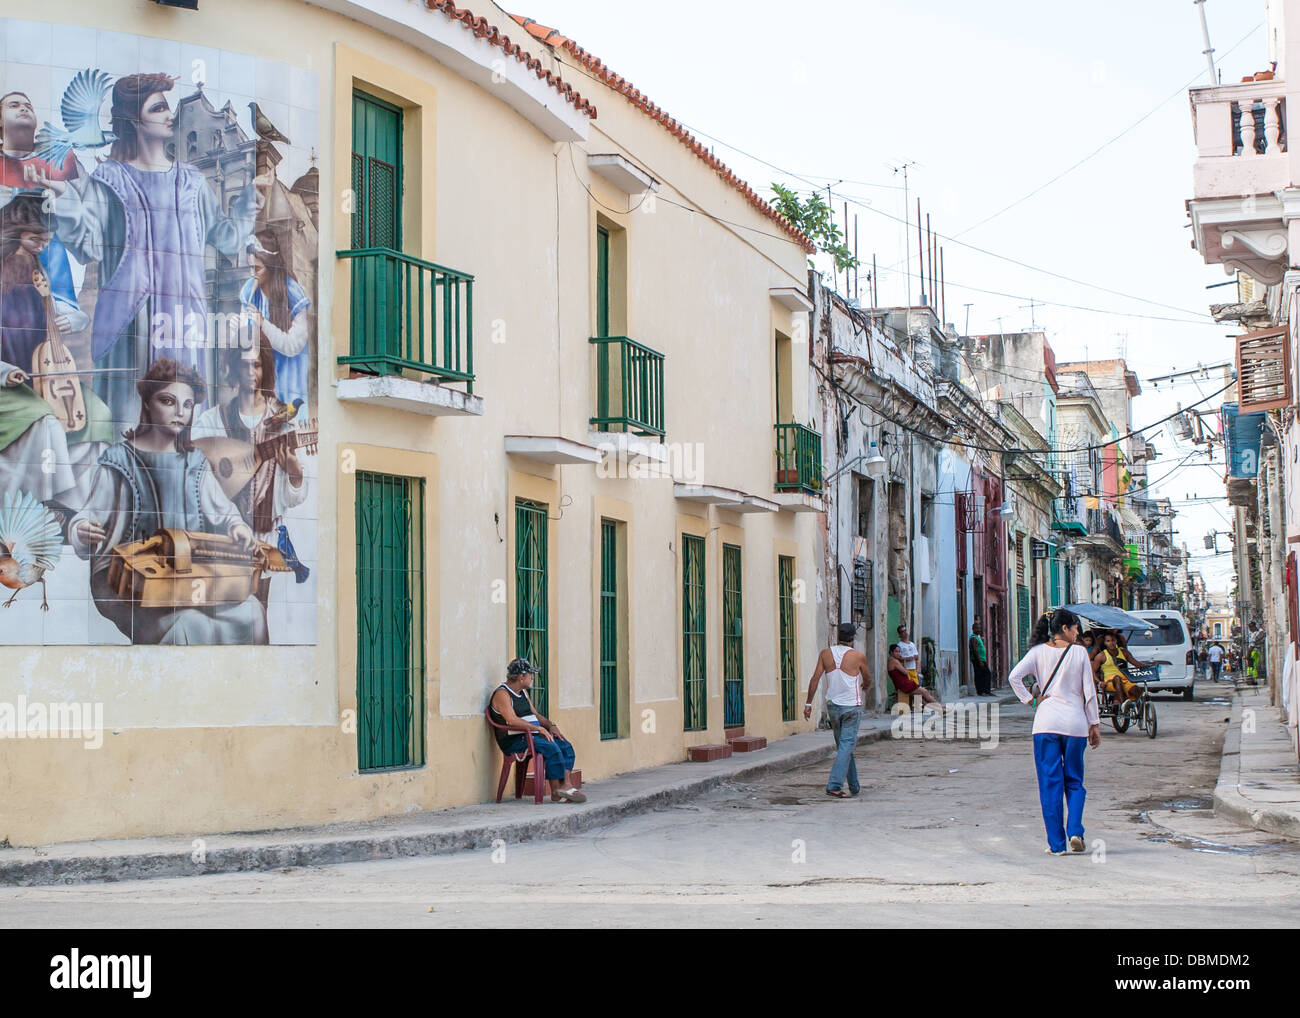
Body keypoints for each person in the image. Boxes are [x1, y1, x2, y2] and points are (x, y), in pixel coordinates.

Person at [32, 73, 261, 425]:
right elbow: (88, 243)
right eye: (157, 108)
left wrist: (249, 203)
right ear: (134, 121)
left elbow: (227, 237)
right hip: (130, 324)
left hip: (183, 324)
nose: (169, 114)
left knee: (182, 425)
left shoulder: (193, 182)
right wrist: (64, 197)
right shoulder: (109, 180)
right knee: (129, 425)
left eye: (167, 106)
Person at [69, 357, 266, 644]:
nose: (180, 413)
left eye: (187, 405)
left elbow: (224, 512)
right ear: (148, 402)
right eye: (168, 401)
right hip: (126, 580)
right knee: (190, 624)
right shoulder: (118, 460)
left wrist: (237, 526)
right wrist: (81, 531)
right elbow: (87, 517)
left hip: (187, 575)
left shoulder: (195, 462)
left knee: (252, 613)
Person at [1007, 608, 1101, 856]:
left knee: (1050, 785)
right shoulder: (1080, 653)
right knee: (1075, 782)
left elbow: (1014, 677)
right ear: (1065, 629)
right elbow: (1089, 691)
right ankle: (1076, 832)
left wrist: (1031, 701)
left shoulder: (1037, 652)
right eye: (1076, 628)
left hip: (1045, 724)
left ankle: (1057, 845)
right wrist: (1095, 724)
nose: (1078, 632)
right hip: (1075, 725)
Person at [488, 658, 586, 803]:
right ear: (521, 677)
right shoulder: (502, 694)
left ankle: (564, 785)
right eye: (530, 675)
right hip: (514, 740)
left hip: (529, 735)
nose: (532, 677)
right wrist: (537, 728)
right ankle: (557, 790)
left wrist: (550, 725)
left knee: (564, 745)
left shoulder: (523, 693)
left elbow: (535, 715)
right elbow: (512, 720)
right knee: (550, 746)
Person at [241, 231, 311, 413]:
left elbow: (293, 346)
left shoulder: (293, 293)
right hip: (261, 380)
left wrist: (263, 323)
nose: (252, 275)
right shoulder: (249, 291)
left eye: (257, 269)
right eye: (249, 268)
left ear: (271, 266)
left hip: (287, 378)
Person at [804, 622, 872, 798]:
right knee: (846, 746)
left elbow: (815, 678)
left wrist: (808, 704)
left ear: (837, 636)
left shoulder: (825, 654)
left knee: (844, 746)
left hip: (833, 706)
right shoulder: (858, 656)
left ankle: (855, 786)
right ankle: (834, 785)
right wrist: (865, 685)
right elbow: (868, 678)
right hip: (851, 706)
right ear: (853, 638)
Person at [1091, 631, 1141, 710]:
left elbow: (1136, 663)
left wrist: (1150, 665)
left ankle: (1139, 712)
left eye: (1113, 640)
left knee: (1137, 689)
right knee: (1117, 678)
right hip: (1110, 682)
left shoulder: (1124, 652)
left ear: (1116, 641)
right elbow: (1092, 672)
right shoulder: (1101, 656)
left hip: (1125, 680)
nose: (1111, 643)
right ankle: (1122, 705)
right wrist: (1099, 682)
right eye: (1108, 641)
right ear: (1105, 643)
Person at [887, 643, 944, 708]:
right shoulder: (893, 661)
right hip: (905, 685)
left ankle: (939, 709)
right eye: (896, 651)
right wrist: (904, 661)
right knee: (925, 692)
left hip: (902, 684)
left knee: (922, 700)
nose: (898, 653)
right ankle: (941, 708)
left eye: (899, 652)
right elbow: (905, 672)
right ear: (891, 652)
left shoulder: (892, 660)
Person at [969, 618, 992, 696]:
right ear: (973, 629)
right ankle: (983, 691)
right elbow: (975, 650)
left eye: (979, 628)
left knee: (983, 675)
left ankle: (984, 691)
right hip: (978, 660)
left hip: (981, 659)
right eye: (976, 628)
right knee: (984, 674)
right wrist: (979, 661)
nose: (978, 629)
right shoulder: (973, 638)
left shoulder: (977, 637)